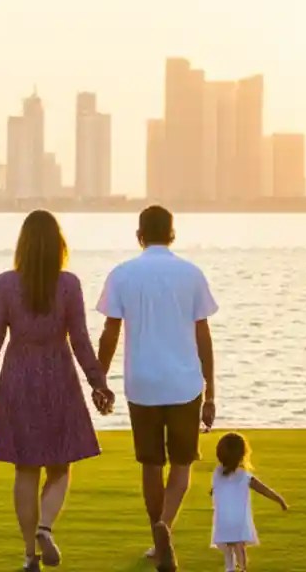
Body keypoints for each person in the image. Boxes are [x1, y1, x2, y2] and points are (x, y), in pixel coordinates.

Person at [0, 210, 115, 572]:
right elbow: (80, 340)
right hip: (59, 378)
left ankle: (29, 555)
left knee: (25, 470)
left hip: (17, 378)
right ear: (58, 246)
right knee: (60, 465)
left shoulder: (5, 284)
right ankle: (45, 528)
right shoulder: (69, 284)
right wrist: (98, 382)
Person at [95, 205, 219, 572]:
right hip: (184, 383)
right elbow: (203, 336)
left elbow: (109, 333)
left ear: (139, 235)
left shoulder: (123, 274)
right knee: (181, 464)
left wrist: (100, 381)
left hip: (142, 383)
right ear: (173, 234)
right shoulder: (191, 274)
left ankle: (156, 535)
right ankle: (165, 526)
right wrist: (211, 393)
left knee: (151, 464)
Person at [210, 432, 288, 572]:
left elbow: (216, 487)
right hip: (239, 519)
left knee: (228, 546)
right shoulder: (244, 476)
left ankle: (230, 568)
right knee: (239, 545)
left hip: (222, 519)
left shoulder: (217, 472)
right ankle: (242, 568)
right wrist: (279, 499)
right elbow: (263, 489)